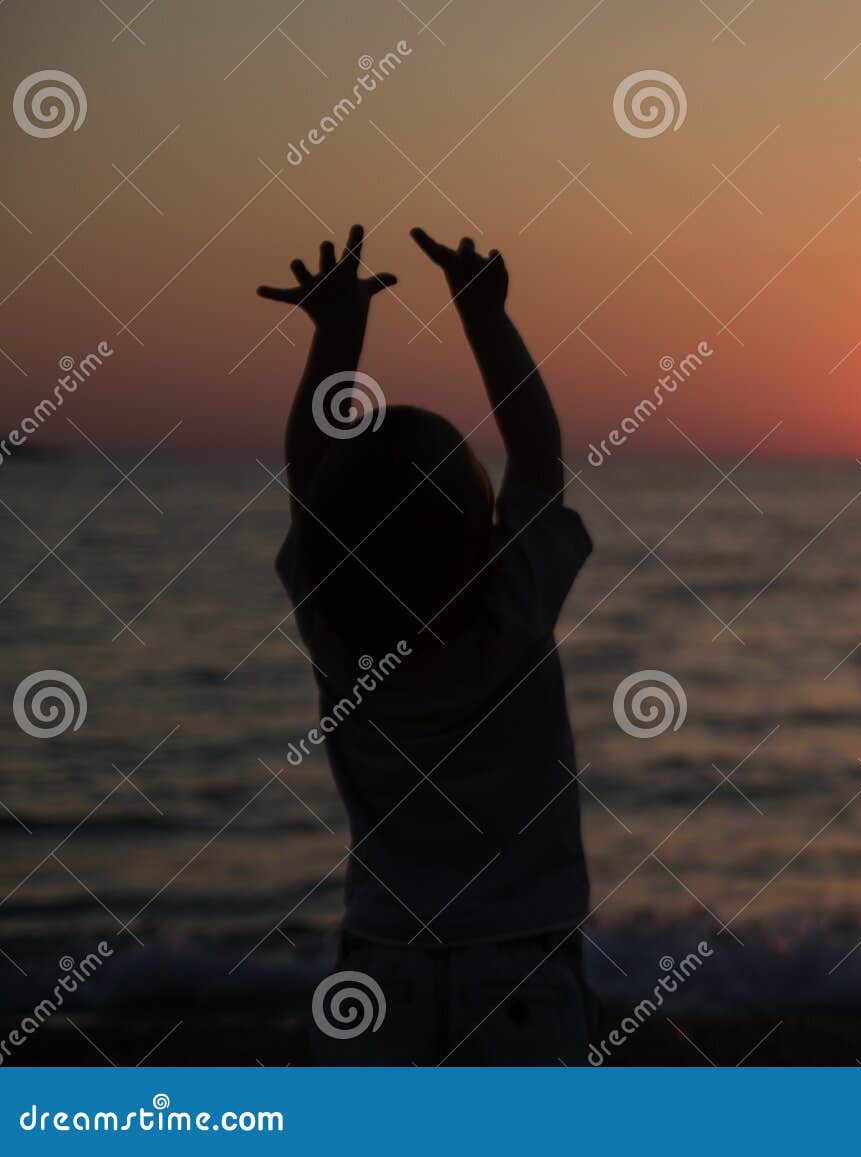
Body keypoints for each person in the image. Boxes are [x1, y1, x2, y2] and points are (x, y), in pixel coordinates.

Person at [258, 224, 594, 1064]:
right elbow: (539, 453)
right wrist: (485, 318)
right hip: (522, 965)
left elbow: (308, 475)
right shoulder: (514, 616)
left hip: (380, 964)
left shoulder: (335, 634)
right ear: (486, 541)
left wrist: (338, 333)